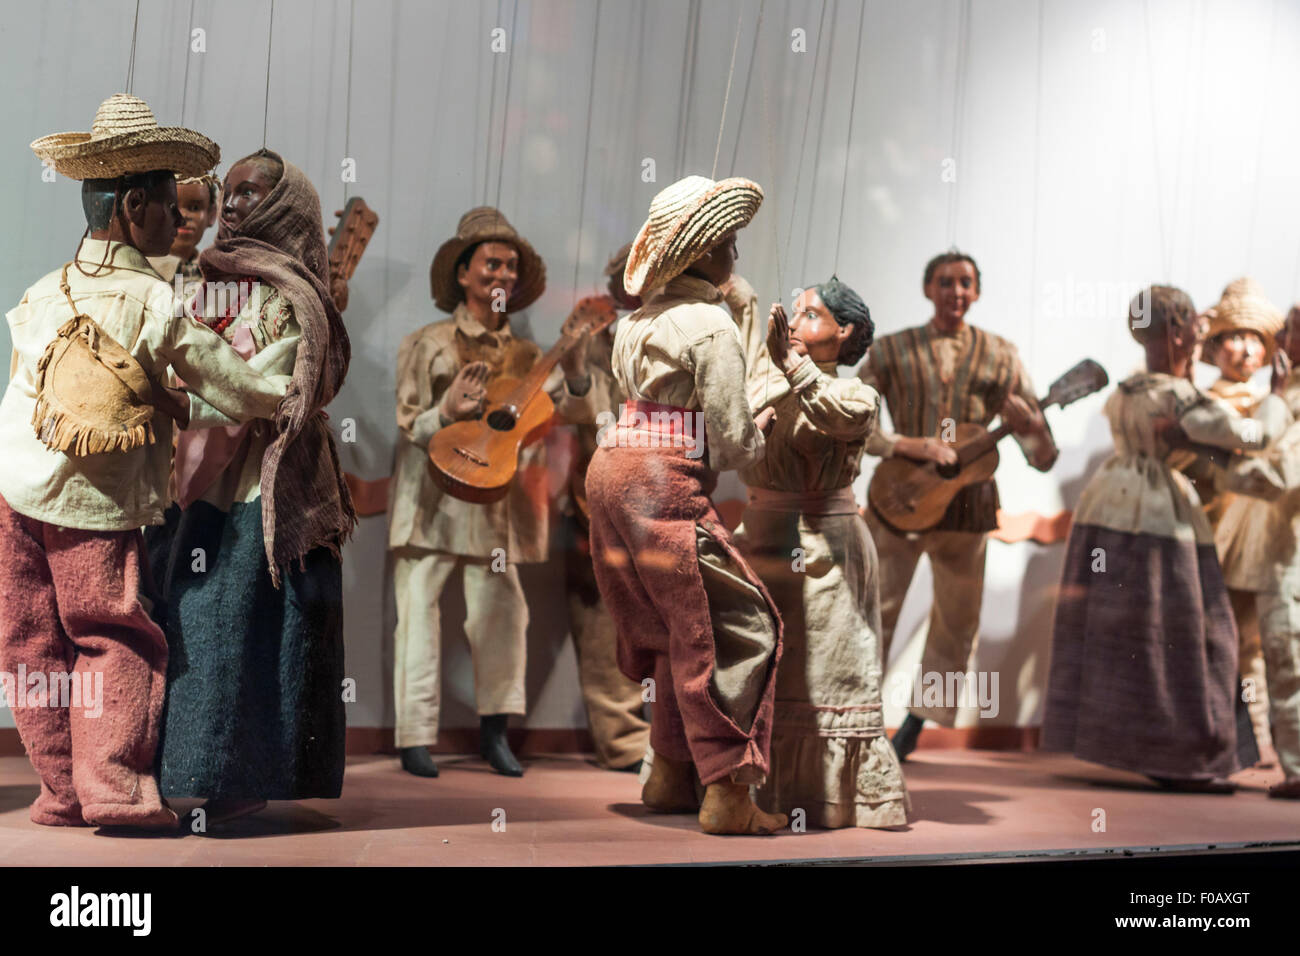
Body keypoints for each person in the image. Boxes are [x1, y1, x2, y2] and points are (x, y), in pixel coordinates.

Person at [0, 94, 286, 828]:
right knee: (113, 632)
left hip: (11, 494)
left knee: (29, 645)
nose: (178, 220)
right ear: (134, 207)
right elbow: (232, 380)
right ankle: (115, 791)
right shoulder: (155, 300)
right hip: (90, 508)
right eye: (168, 206)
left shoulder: (38, 294)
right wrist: (290, 381)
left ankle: (63, 791)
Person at [154, 149, 355, 825]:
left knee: (253, 627)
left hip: (273, 488)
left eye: (251, 194)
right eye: (230, 195)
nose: (232, 207)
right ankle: (194, 769)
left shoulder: (298, 295)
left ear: (285, 207)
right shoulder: (211, 284)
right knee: (201, 625)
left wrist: (186, 390)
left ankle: (241, 778)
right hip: (207, 484)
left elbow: (264, 391)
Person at [585, 174, 787, 835]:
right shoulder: (711, 324)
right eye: (729, 242)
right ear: (704, 254)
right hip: (660, 478)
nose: (736, 254)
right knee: (741, 626)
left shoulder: (635, 321)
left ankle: (669, 773)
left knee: (677, 628)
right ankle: (729, 791)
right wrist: (769, 413)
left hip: (612, 467)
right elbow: (731, 445)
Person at [1042, 286, 1286, 792]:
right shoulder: (1178, 399)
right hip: (1158, 517)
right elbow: (1251, 437)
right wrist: (1279, 400)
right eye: (1194, 327)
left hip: (1108, 505)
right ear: (1175, 331)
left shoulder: (1126, 390)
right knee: (1193, 638)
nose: (1199, 336)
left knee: (1122, 634)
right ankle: (1181, 756)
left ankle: (1132, 745)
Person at [388, 207, 593, 779]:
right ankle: (413, 738)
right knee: (418, 619)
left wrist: (575, 365)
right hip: (431, 502)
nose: (500, 274)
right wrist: (444, 412)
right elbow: (408, 421)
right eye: (489, 262)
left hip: (498, 508)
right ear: (462, 273)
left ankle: (495, 732)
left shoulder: (531, 358)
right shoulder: (425, 342)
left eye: (510, 265)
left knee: (504, 617)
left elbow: (577, 408)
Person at [858, 251, 1058, 758]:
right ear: (927, 289)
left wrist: (1031, 427)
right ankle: (856, 719)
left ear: (978, 291)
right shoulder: (891, 350)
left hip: (967, 508)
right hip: (898, 499)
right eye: (945, 282)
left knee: (957, 622)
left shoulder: (1001, 355)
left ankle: (916, 726)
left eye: (965, 283)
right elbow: (850, 417)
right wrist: (904, 446)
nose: (956, 292)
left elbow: (1043, 454)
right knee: (872, 610)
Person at [733, 280, 909, 828]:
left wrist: (793, 366)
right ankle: (743, 789)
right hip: (762, 540)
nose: (797, 323)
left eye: (812, 314)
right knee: (759, 671)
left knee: (832, 671)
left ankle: (830, 797)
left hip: (827, 552)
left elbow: (840, 415)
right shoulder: (765, 374)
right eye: (797, 312)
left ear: (845, 331)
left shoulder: (858, 394)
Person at [557, 243, 652, 773]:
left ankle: (673, 740)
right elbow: (574, 407)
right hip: (599, 499)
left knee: (666, 622)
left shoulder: (682, 333)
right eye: (628, 278)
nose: (637, 288)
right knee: (600, 623)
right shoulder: (594, 339)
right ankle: (622, 744)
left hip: (664, 493)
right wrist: (575, 366)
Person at [1200, 279, 1285, 766]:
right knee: (1225, 638)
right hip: (1220, 529)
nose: (1248, 349)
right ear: (1213, 346)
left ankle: (1259, 737)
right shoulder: (1208, 403)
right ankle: (1232, 739)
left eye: (1257, 339)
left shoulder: (1271, 402)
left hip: (1266, 532)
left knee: (1256, 642)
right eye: (1235, 336)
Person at [1222, 305, 1300, 799]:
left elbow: (1281, 468)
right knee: (1252, 651)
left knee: (1285, 650)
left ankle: (1296, 767)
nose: (1284, 339)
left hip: (1285, 544)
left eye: (1292, 331)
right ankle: (1271, 759)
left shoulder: (1280, 396)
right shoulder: (1280, 391)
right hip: (1252, 537)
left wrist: (1235, 473)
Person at [147, 173, 219, 301]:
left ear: (212, 215)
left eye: (195, 208)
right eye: (172, 206)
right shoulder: (142, 273)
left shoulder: (217, 275)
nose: (183, 215)